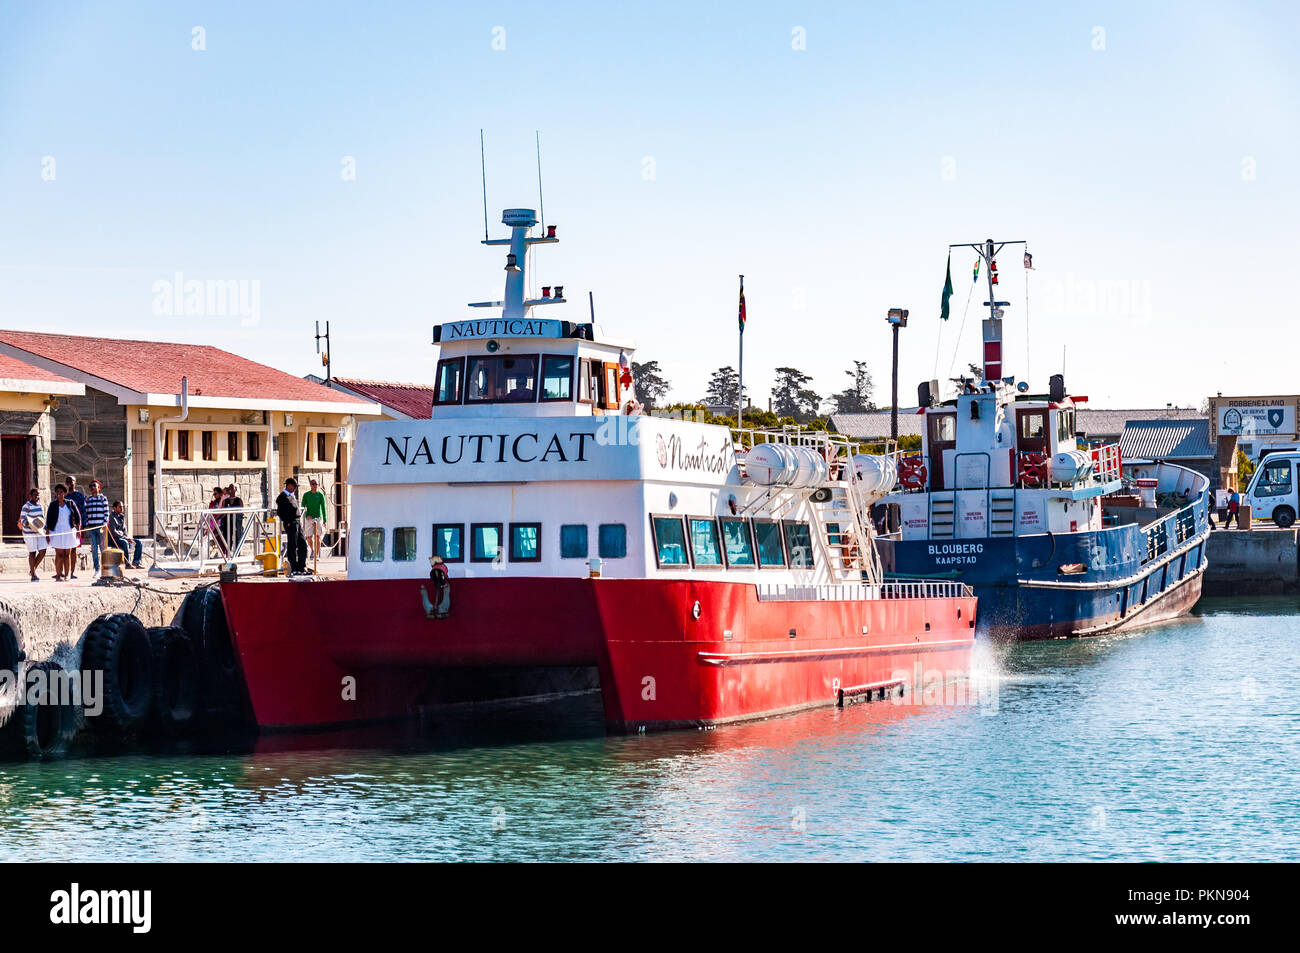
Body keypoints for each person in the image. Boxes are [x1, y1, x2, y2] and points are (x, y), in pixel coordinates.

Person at [45, 483, 81, 582]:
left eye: (61, 492)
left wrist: (78, 530)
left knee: (67, 554)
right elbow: (48, 519)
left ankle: (67, 575)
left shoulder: (70, 503)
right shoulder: (53, 505)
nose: (59, 494)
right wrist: (47, 532)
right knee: (59, 554)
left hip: (68, 530)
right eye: (57, 492)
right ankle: (58, 575)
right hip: (57, 530)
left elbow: (78, 517)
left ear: (65, 493)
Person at [276, 477, 308, 574]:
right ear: (288, 485)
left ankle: (301, 567)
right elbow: (280, 512)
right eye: (294, 486)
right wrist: (287, 521)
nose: (295, 488)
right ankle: (293, 567)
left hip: (297, 521)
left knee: (303, 544)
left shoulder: (292, 496)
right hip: (291, 523)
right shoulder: (282, 497)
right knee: (292, 545)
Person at [81, 479, 110, 571]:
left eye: (94, 486)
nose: (92, 487)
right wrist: (86, 524)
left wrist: (105, 524)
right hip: (92, 527)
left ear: (99, 488)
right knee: (94, 548)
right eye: (91, 486)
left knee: (103, 548)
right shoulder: (88, 500)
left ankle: (105, 567)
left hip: (101, 526)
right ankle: (96, 568)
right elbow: (85, 513)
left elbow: (106, 512)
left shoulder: (103, 499)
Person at [21, 487, 47, 582]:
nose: (37, 496)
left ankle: (32, 569)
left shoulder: (39, 506)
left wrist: (44, 527)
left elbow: (42, 518)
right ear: (31, 495)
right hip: (29, 533)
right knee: (32, 552)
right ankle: (33, 575)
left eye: (38, 495)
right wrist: (30, 524)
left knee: (43, 551)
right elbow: (23, 520)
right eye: (35, 494)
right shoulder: (26, 506)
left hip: (39, 532)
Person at [108, 500, 143, 568]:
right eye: (120, 507)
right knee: (124, 542)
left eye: (122, 507)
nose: (122, 508)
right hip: (114, 539)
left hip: (123, 538)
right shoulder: (111, 517)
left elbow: (124, 530)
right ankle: (127, 563)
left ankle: (136, 562)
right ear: (115, 508)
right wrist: (126, 538)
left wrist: (128, 538)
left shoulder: (122, 517)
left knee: (138, 542)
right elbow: (113, 532)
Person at [301, 477, 328, 561]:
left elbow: (323, 507)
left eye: (316, 484)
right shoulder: (306, 495)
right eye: (313, 484)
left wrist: (325, 520)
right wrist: (306, 516)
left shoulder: (320, 495)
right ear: (310, 485)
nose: (315, 486)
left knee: (318, 537)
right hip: (309, 518)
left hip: (318, 518)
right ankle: (312, 550)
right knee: (309, 537)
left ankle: (316, 554)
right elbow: (302, 507)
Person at [222, 483, 244, 554]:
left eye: (232, 488)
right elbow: (223, 511)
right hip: (227, 522)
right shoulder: (225, 501)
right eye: (229, 488)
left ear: (235, 489)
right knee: (228, 538)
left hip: (237, 522)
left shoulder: (239, 500)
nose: (230, 490)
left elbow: (241, 511)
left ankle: (237, 553)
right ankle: (228, 554)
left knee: (237, 537)